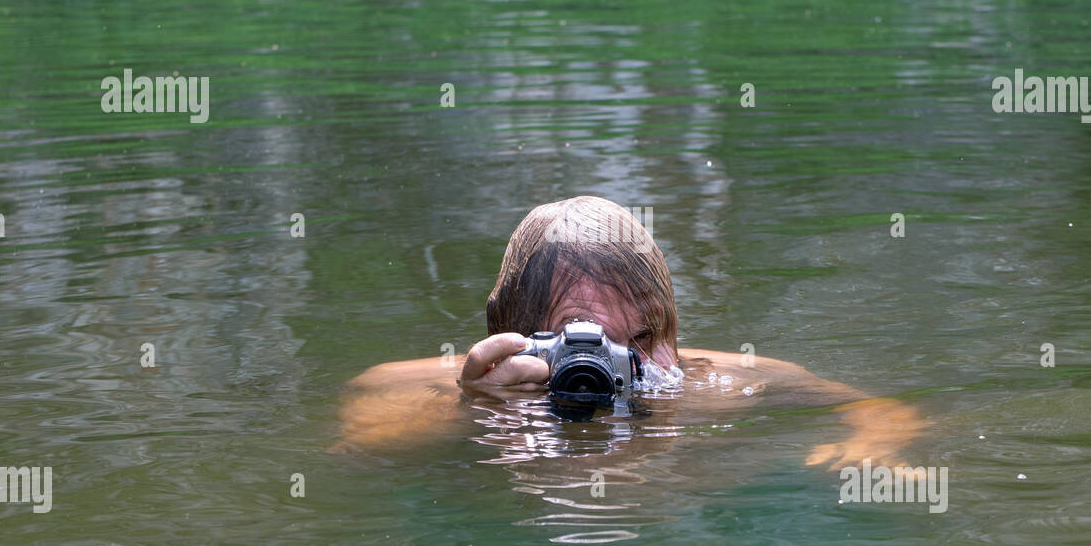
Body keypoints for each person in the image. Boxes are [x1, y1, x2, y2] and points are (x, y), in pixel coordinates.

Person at [339, 196, 925, 467]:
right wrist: (469, 412)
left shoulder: (721, 378)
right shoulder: (418, 385)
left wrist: (871, 443)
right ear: (511, 341)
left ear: (673, 330)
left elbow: (883, 410)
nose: (613, 366)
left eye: (639, 340)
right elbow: (359, 448)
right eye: (576, 339)